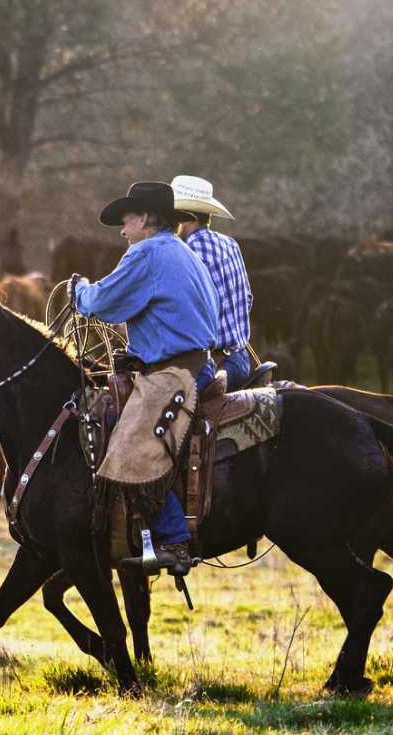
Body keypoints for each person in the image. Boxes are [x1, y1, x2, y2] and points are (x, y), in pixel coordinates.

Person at [71, 181, 223, 576]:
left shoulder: (147, 253)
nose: (122, 231)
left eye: (125, 221)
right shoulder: (181, 252)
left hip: (173, 372)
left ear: (142, 219)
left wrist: (78, 291)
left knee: (128, 451)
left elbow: (102, 302)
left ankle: (173, 539)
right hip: (194, 362)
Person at [172, 175, 257, 390]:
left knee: (166, 411)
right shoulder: (230, 244)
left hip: (212, 366)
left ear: (185, 217)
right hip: (241, 359)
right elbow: (247, 299)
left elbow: (184, 315)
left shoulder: (187, 253)